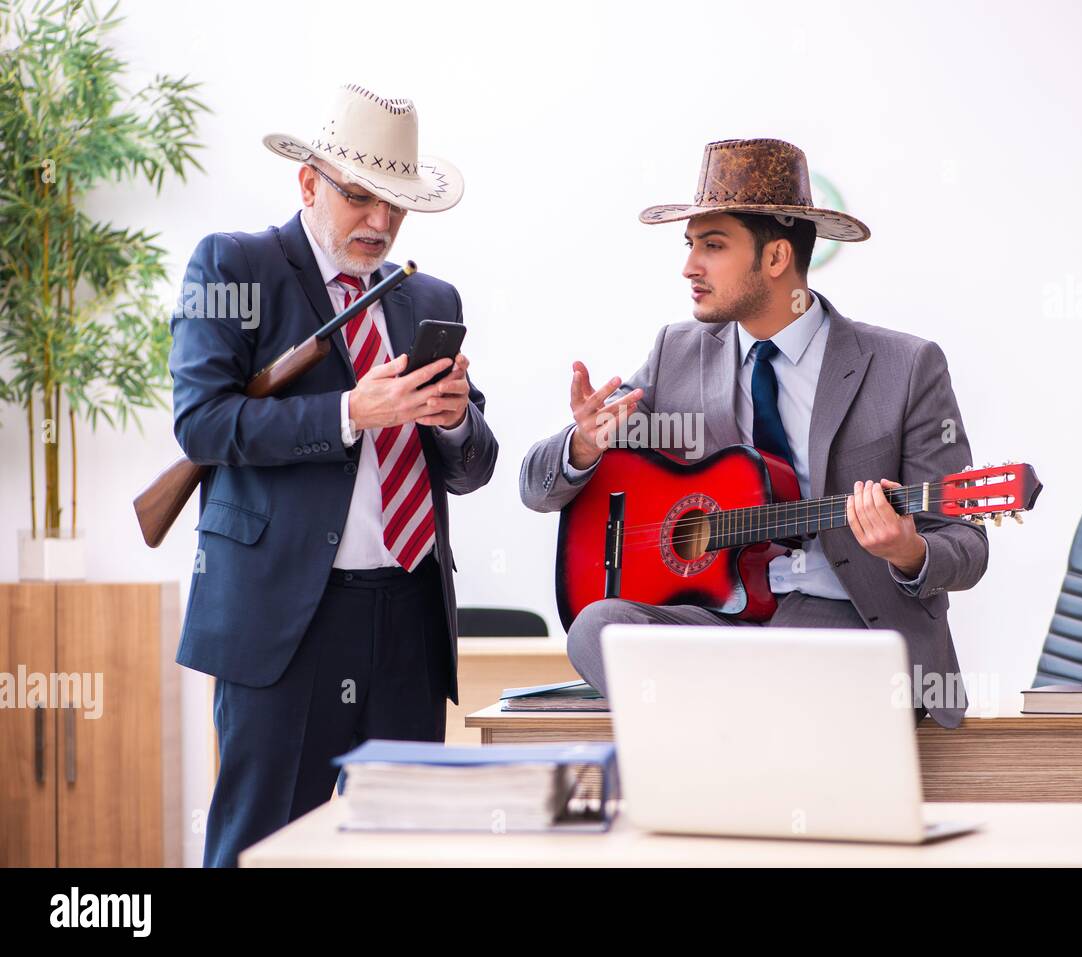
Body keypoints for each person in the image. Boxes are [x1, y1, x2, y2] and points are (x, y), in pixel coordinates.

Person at [519, 138, 986, 728]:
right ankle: (735, 732)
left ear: (775, 259)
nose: (689, 266)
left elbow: (966, 543)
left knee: (780, 679)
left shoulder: (905, 366)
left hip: (846, 625)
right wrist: (582, 445)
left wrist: (907, 550)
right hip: (719, 624)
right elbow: (536, 490)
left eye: (713, 246)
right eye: (690, 245)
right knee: (598, 629)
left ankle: (720, 739)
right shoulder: (676, 353)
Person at [171, 84, 497, 866]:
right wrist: (352, 411)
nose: (381, 223)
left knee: (401, 849)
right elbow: (203, 422)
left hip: (410, 620)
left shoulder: (430, 295)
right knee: (265, 841)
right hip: (288, 622)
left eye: (397, 205)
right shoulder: (233, 261)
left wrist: (450, 417)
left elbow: (474, 465)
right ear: (308, 182)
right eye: (361, 197)